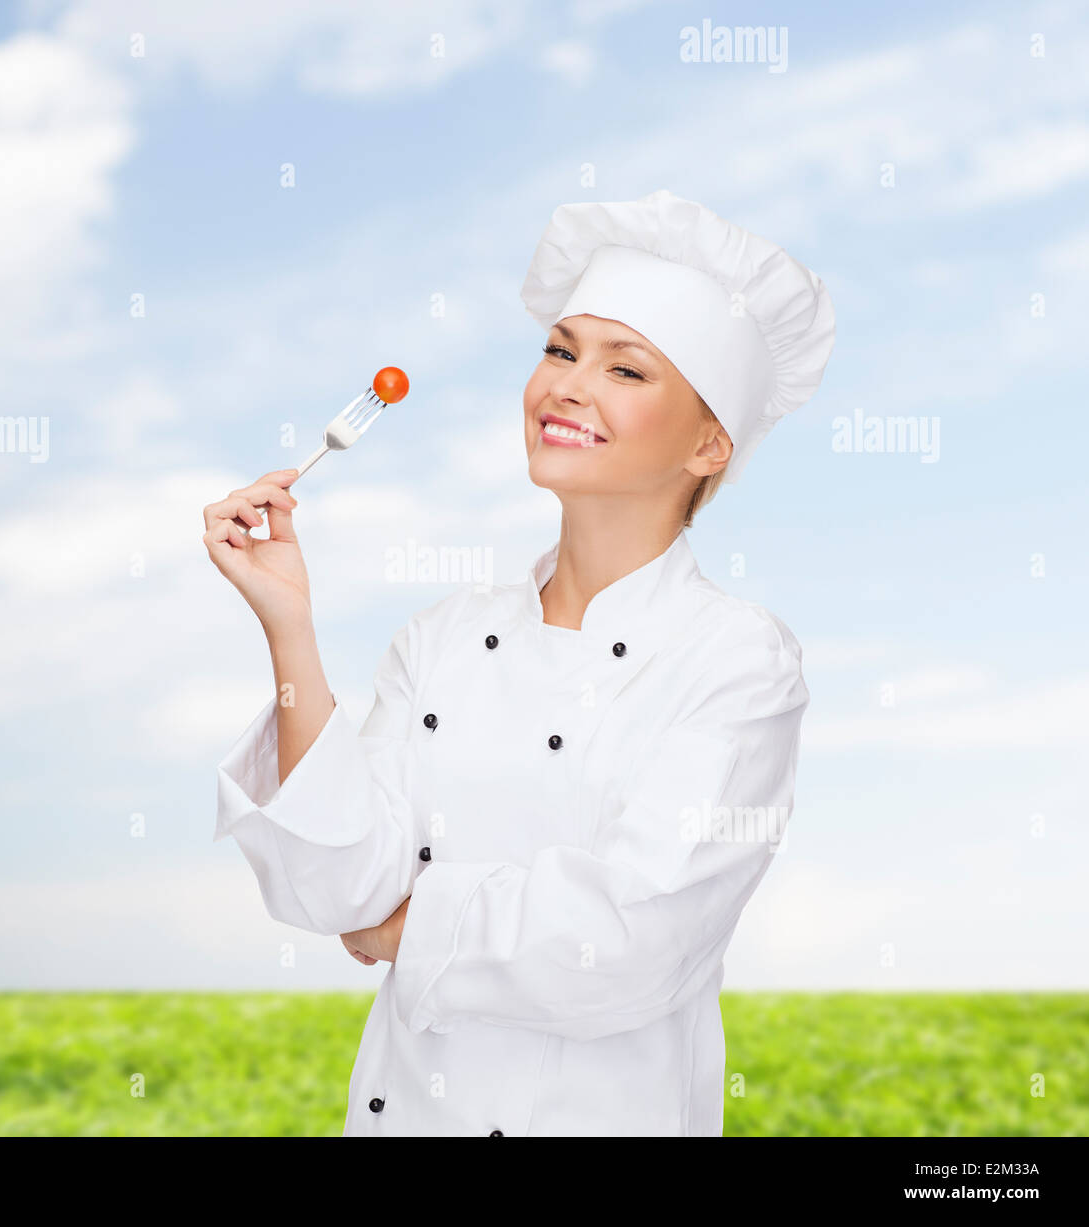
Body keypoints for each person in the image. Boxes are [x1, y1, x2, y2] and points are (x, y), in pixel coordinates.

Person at [202, 188, 836, 1136]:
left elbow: (629, 937)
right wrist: (290, 626)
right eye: (559, 350)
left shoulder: (737, 660)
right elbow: (329, 887)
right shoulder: (444, 637)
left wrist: (404, 928)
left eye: (626, 369)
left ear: (711, 444)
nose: (568, 386)